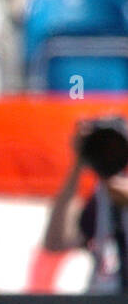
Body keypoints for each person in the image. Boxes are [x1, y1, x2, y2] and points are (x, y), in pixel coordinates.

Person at [43, 117, 127, 293]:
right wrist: (78, 164)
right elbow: (55, 241)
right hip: (107, 303)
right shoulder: (100, 202)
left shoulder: (111, 192)